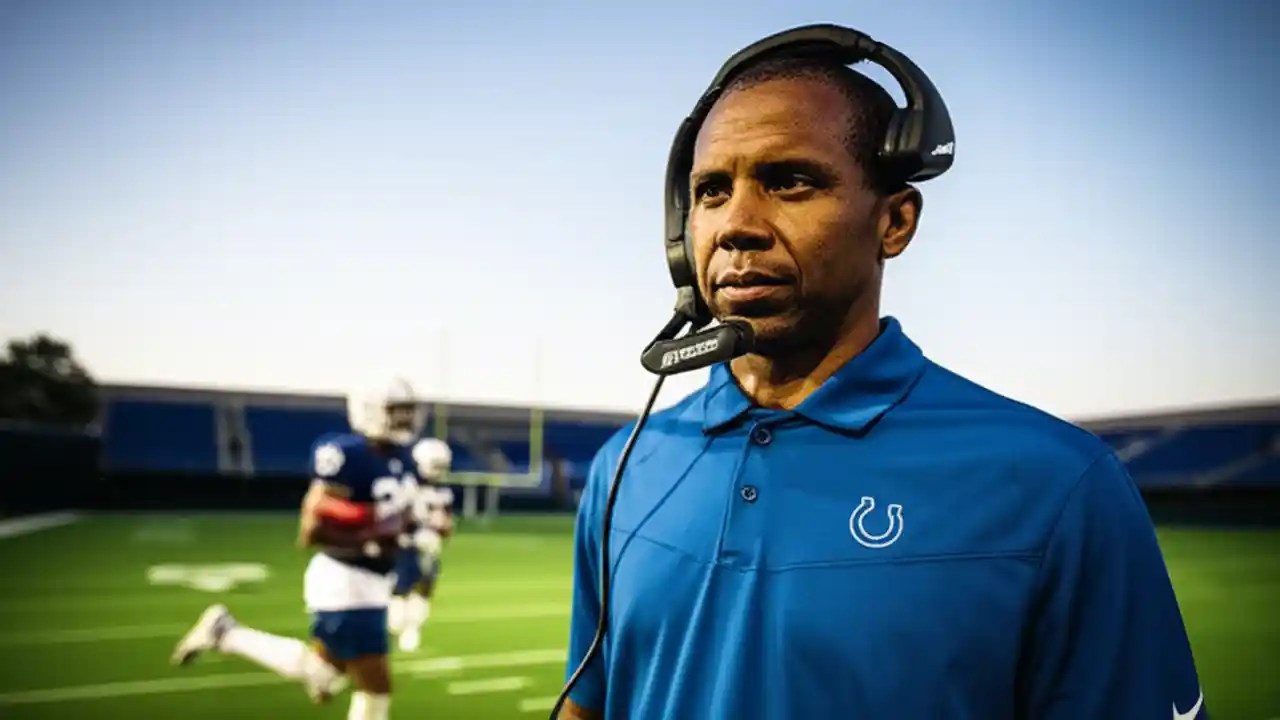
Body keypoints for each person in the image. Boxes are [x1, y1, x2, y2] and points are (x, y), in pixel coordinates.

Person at [560, 27, 1206, 720]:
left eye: (790, 181)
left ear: (894, 222)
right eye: (712, 190)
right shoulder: (625, 466)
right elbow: (586, 706)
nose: (737, 223)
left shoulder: (1059, 484)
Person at [172, 378, 434, 720]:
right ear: (370, 410)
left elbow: (402, 517)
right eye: (397, 411)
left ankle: (226, 632)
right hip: (346, 579)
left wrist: (409, 525)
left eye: (408, 412)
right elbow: (312, 526)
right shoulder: (347, 454)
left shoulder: (404, 458)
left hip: (373, 582)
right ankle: (226, 633)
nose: (405, 420)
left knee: (324, 674)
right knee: (377, 688)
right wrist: (372, 528)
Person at [387, 436, 455, 652]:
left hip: (430, 546)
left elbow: (447, 527)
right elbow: (394, 517)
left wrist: (442, 524)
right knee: (399, 591)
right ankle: (393, 630)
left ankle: (412, 629)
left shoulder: (443, 491)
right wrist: (419, 521)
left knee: (424, 589)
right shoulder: (405, 485)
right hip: (407, 545)